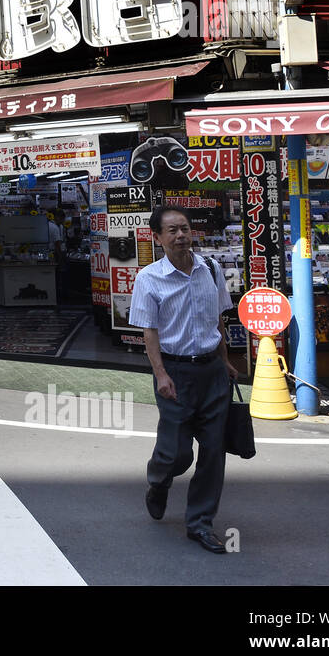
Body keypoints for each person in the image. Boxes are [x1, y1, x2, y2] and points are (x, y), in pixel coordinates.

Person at [128, 205, 238, 555]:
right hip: (175, 373)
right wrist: (160, 374)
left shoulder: (211, 268)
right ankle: (158, 482)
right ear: (157, 238)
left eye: (185, 229)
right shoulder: (149, 278)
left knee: (213, 451)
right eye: (172, 230)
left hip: (211, 372)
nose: (180, 236)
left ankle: (200, 523)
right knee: (176, 453)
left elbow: (218, 320)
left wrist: (225, 361)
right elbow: (150, 332)